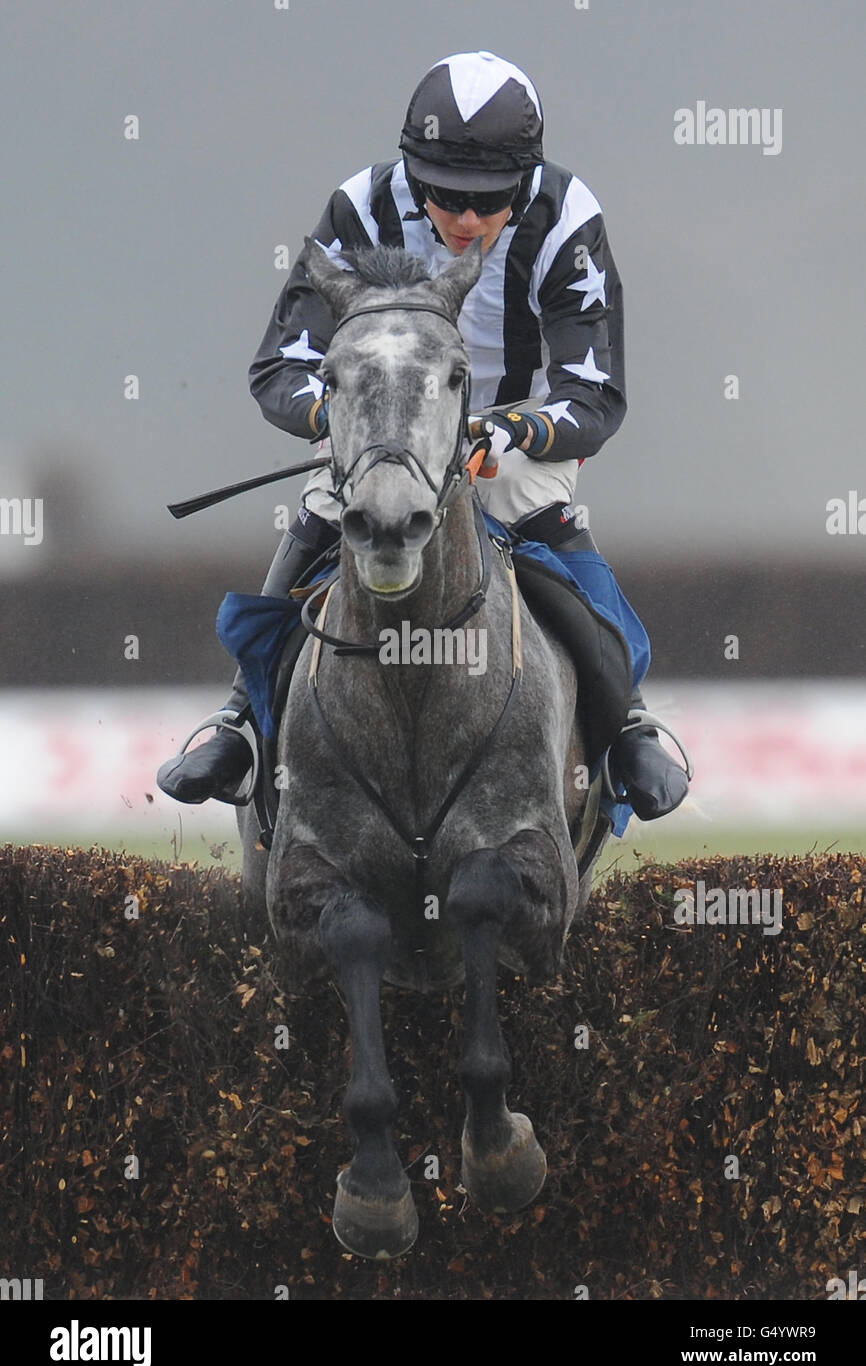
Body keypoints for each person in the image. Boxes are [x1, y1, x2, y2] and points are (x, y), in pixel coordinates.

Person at [157, 50, 689, 822]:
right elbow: (282, 365)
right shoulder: (358, 207)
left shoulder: (568, 222)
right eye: (447, 196)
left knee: (541, 515)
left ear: (526, 182)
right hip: (378, 437)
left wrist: (510, 429)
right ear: (414, 172)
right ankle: (239, 720)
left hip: (509, 438)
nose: (467, 220)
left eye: (491, 200)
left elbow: (595, 395)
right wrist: (344, 426)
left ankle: (625, 723)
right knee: (322, 509)